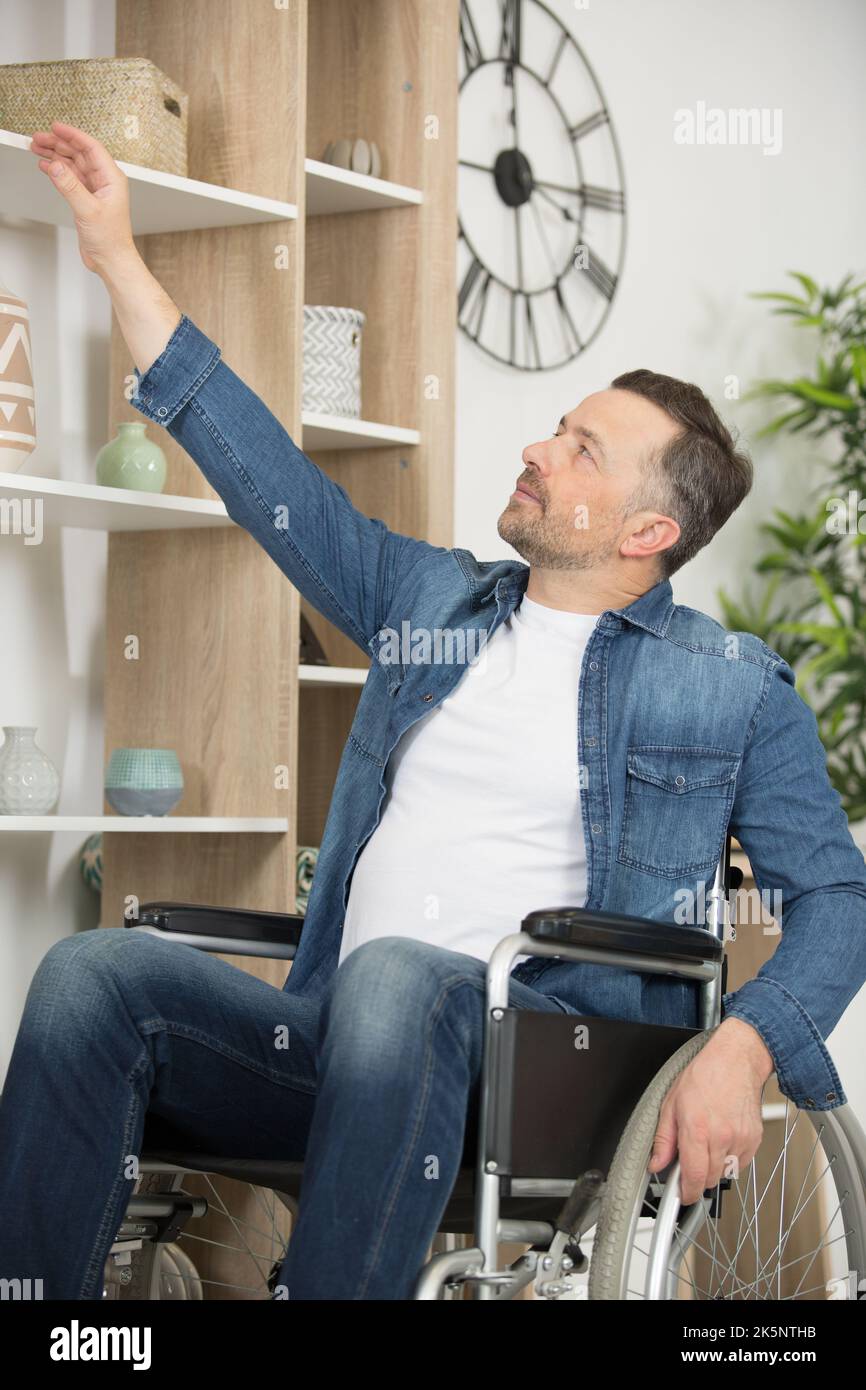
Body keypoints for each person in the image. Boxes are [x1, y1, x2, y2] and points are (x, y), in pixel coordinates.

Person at [1, 123, 864, 1301]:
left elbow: (833, 899)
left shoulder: (729, 686)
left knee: (402, 977)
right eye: (554, 428)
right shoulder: (432, 601)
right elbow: (271, 482)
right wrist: (112, 253)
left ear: (646, 533)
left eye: (578, 451)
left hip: (545, 1074)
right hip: (338, 1046)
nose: (536, 449)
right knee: (91, 973)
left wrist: (742, 1043)